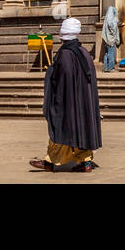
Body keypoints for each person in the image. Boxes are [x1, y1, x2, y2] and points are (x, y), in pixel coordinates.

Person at [30, 17, 102, 172]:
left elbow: (62, 80)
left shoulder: (65, 54)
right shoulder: (83, 52)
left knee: (61, 127)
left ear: (62, 35)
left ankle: (50, 161)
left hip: (68, 101)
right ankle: (86, 161)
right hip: (83, 102)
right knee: (81, 129)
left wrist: (50, 71)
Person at [101, 5, 120, 73]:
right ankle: (111, 68)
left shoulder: (106, 19)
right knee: (111, 53)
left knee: (106, 54)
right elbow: (112, 28)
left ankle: (105, 68)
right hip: (111, 40)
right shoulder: (112, 20)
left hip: (106, 39)